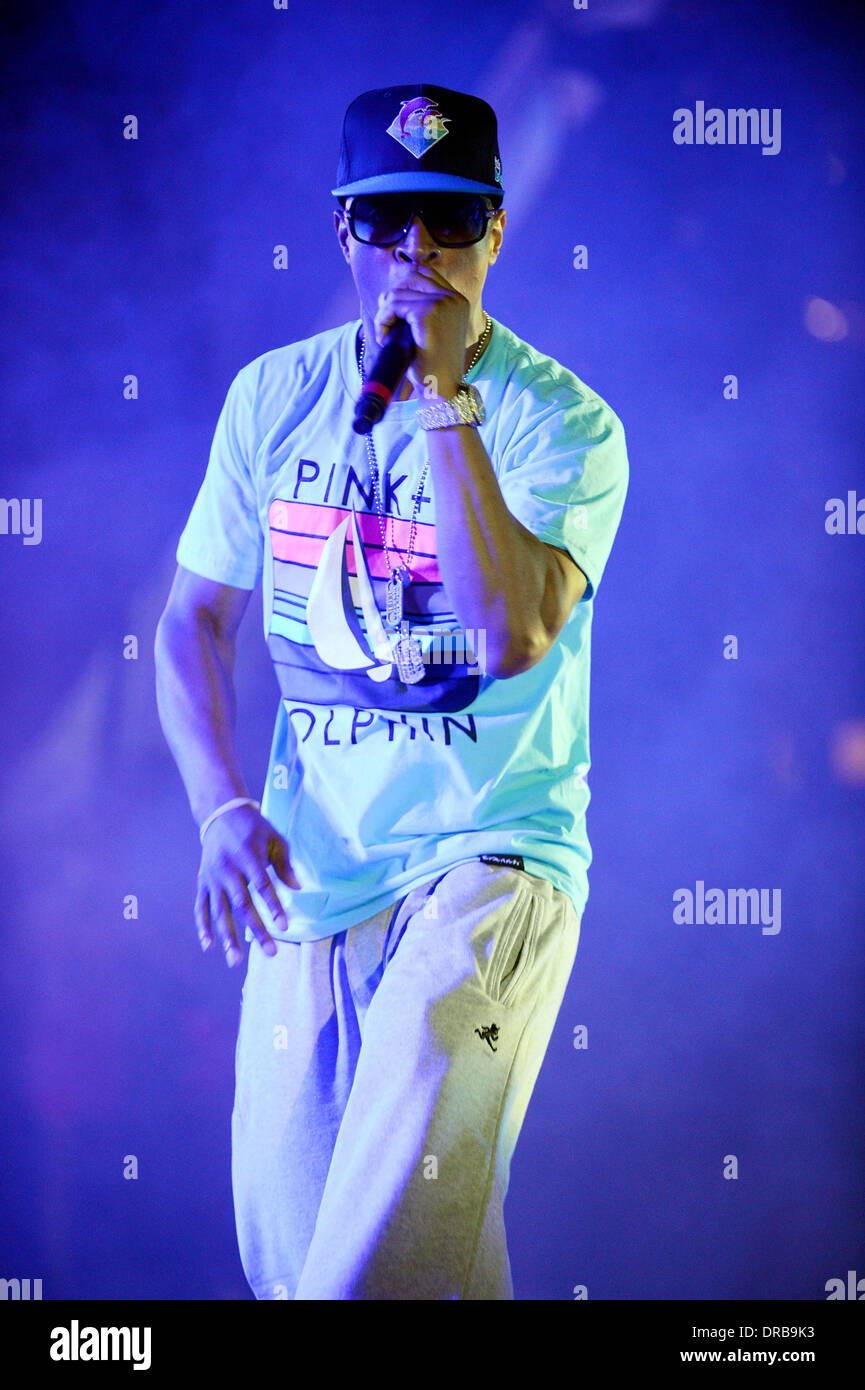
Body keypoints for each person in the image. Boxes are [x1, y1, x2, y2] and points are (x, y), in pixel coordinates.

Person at [154, 83, 629, 1300]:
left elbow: (511, 630)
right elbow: (194, 621)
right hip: (314, 878)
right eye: (388, 222)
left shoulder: (563, 423)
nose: (419, 252)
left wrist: (438, 403)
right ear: (342, 233)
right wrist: (218, 809)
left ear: (498, 230)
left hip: (488, 870)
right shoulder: (273, 397)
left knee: (365, 1279)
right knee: (319, 1266)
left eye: (451, 218)